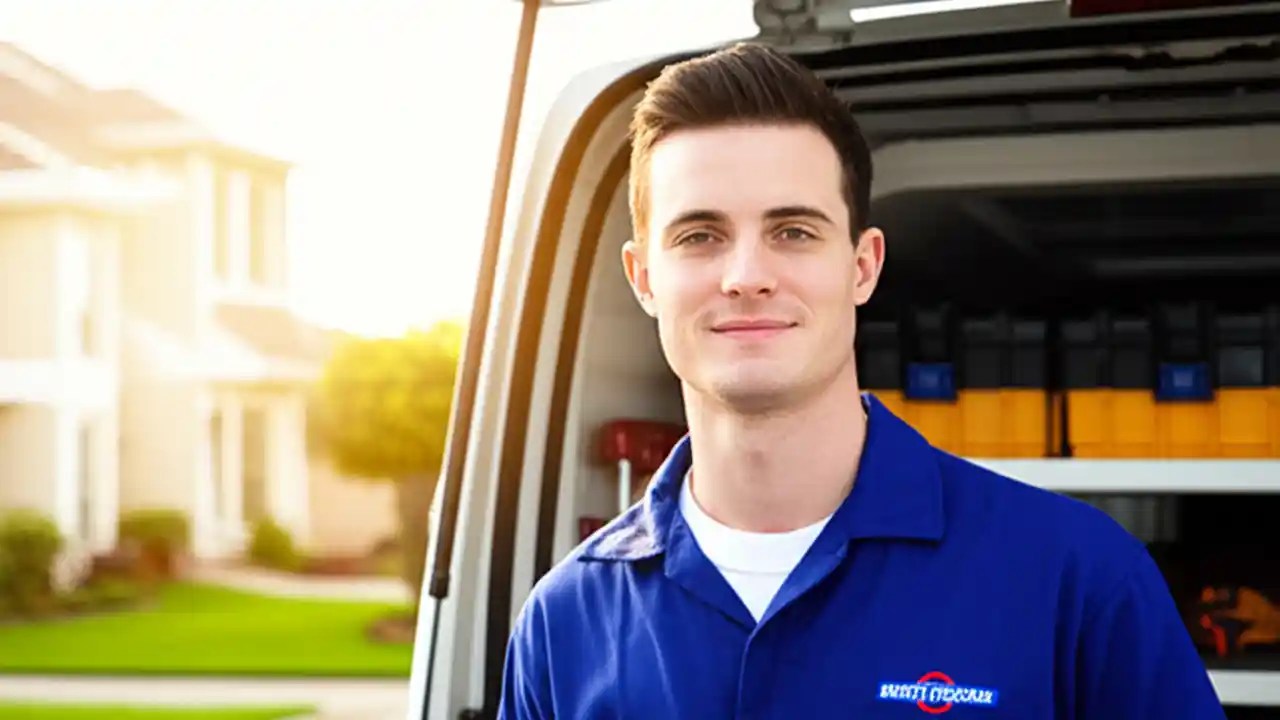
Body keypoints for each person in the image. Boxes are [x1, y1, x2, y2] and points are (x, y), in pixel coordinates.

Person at [497, 42, 1226, 719]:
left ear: (863, 266)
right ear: (644, 277)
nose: (747, 276)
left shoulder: (1079, 581)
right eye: (700, 236)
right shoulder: (564, 622)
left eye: (793, 232)